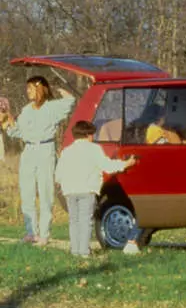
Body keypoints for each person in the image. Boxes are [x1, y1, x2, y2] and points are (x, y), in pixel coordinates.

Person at [0, 76, 75, 246]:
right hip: (29, 151)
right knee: (26, 191)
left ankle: (44, 234)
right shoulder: (27, 110)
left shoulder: (52, 107)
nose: (27, 91)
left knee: (45, 191)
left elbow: (70, 101)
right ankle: (31, 232)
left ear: (40, 89)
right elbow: (17, 132)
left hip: (45, 150)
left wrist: (58, 88)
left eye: (30, 88)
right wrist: (7, 122)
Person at [55, 120, 136, 257]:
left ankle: (75, 251)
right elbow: (108, 166)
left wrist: (62, 184)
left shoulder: (66, 151)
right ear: (87, 134)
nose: (93, 137)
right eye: (92, 134)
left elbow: (58, 174)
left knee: (74, 221)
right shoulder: (93, 149)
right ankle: (84, 251)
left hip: (69, 191)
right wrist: (126, 164)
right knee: (86, 221)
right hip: (87, 190)